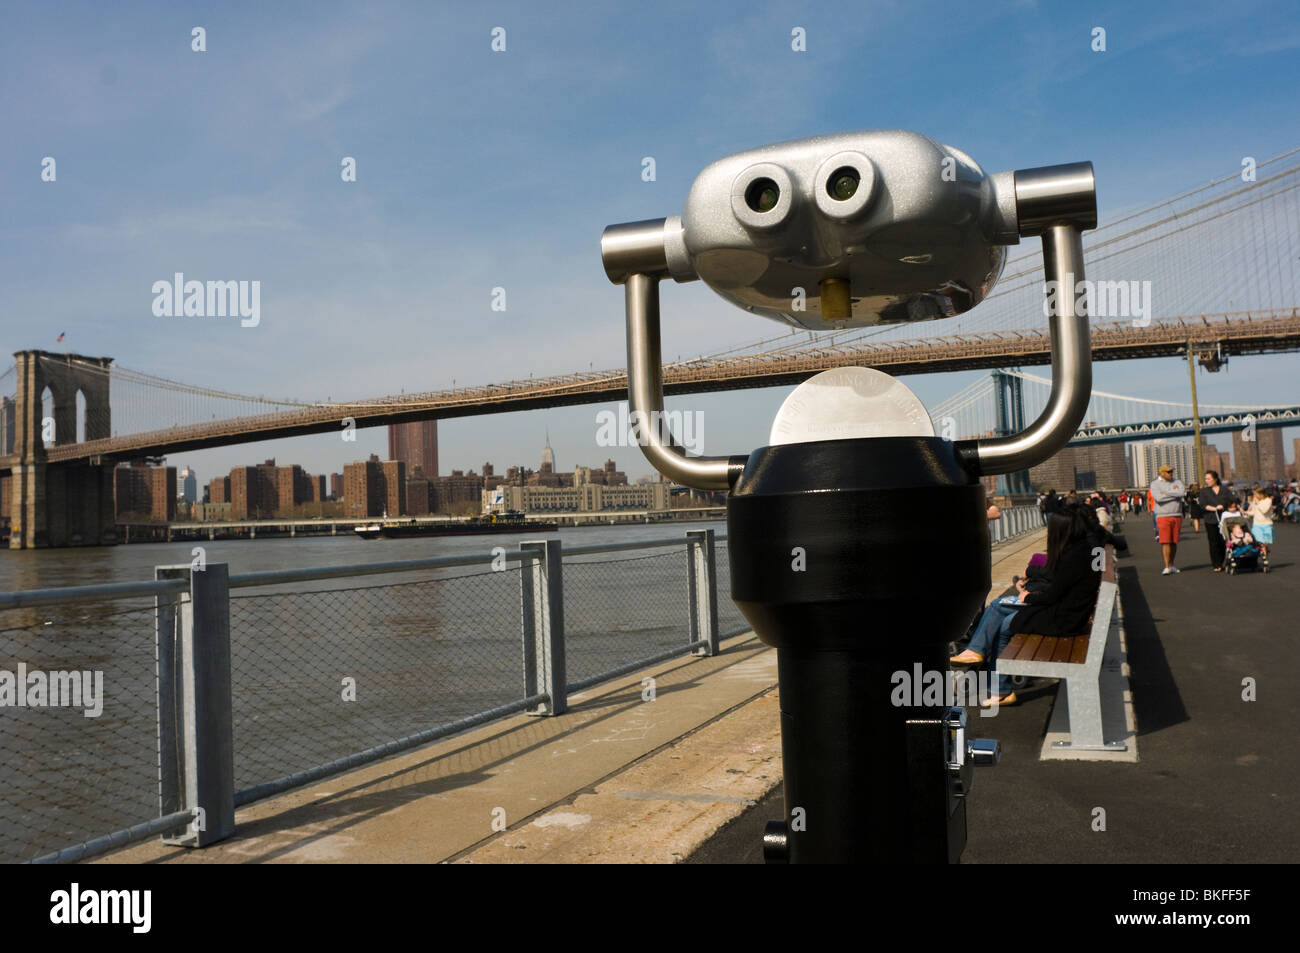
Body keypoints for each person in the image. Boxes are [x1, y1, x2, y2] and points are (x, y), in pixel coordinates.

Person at [950, 509, 1087, 705]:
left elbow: (1054, 593)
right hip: (1063, 611)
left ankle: (980, 658)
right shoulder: (1077, 552)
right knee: (1003, 618)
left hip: (1060, 617)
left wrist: (1028, 596)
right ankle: (993, 679)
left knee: (999, 610)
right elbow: (1057, 584)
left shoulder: (1072, 557)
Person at [1149, 464, 1186, 574]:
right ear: (1162, 473)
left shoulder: (1177, 482)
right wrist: (1175, 495)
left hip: (1177, 514)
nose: (1171, 474)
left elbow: (1181, 493)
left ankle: (1171, 565)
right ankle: (1166, 566)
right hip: (1163, 515)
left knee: (1174, 542)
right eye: (1168, 472)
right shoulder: (1155, 484)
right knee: (1165, 541)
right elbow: (1158, 498)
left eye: (1171, 472)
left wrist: (1166, 493)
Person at [1198, 470, 1236, 572]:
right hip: (1210, 519)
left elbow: (1232, 500)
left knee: (1223, 541)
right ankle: (1216, 564)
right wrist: (1214, 508)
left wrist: (1223, 506)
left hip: (1224, 519)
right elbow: (1202, 505)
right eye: (1206, 479)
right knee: (1213, 542)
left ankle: (1222, 561)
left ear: (1215, 479)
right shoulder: (1204, 491)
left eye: (1209, 478)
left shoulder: (1225, 490)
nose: (1207, 481)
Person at [1246, 486, 1274, 559]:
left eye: (1255, 494)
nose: (1254, 496)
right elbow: (1254, 512)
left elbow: (1264, 510)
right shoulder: (1255, 501)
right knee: (1259, 542)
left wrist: (1258, 503)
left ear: (1261, 494)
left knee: (1265, 543)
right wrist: (1246, 512)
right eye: (1254, 494)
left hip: (1267, 524)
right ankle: (1264, 557)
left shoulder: (1268, 500)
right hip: (1257, 524)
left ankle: (1265, 551)